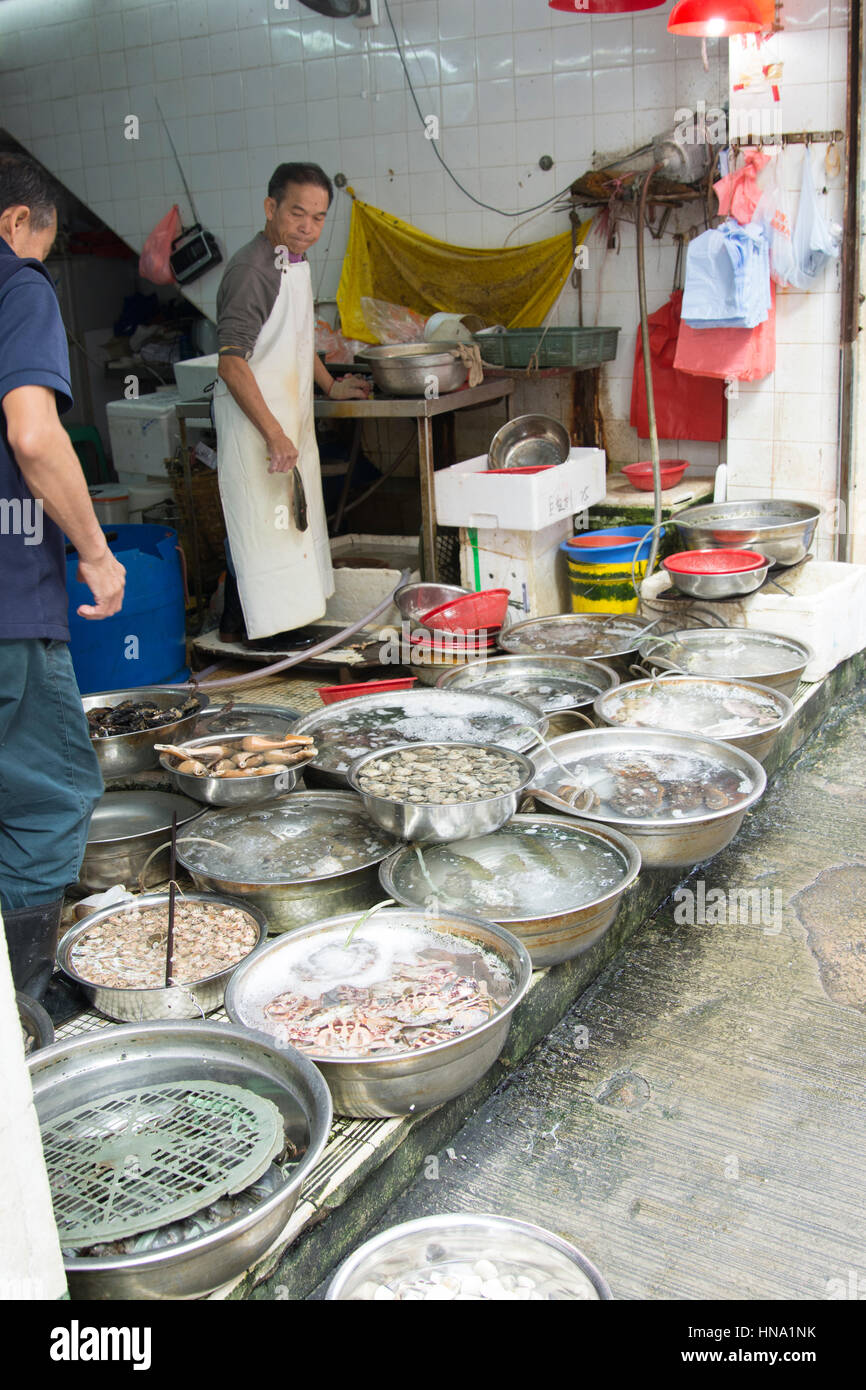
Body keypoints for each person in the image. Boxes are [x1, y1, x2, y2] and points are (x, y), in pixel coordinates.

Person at [0, 155, 126, 1000]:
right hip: (8, 599)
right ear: (17, 224)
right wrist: (94, 548)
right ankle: (25, 1004)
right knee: (49, 795)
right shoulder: (17, 286)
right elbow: (37, 436)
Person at [214, 162, 369, 644]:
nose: (308, 227)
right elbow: (231, 362)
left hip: (288, 419)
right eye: (298, 213)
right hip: (257, 425)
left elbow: (297, 339)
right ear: (270, 208)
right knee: (263, 525)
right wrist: (274, 433)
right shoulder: (252, 270)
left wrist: (328, 385)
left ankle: (246, 620)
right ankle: (267, 630)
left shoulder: (292, 261)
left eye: (319, 218)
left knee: (287, 524)